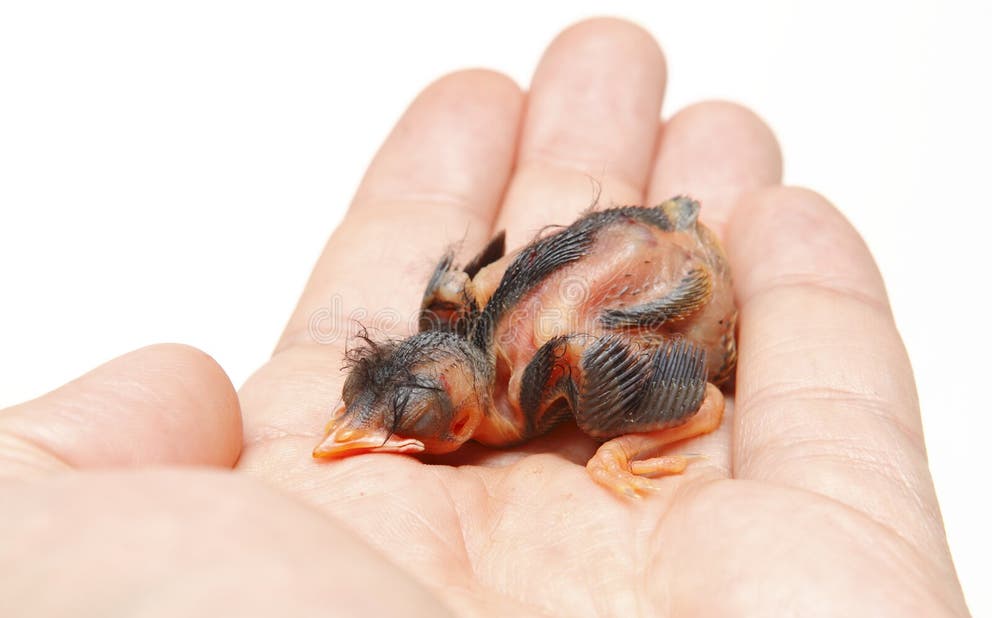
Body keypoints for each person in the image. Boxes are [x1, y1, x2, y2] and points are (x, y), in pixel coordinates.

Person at [0, 17, 970, 617]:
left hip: (671, 278)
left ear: (456, 416)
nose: (373, 438)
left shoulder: (545, 373)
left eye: (401, 422)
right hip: (648, 238)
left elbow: (552, 330)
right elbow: (458, 281)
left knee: (600, 386)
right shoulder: (460, 319)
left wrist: (624, 440)